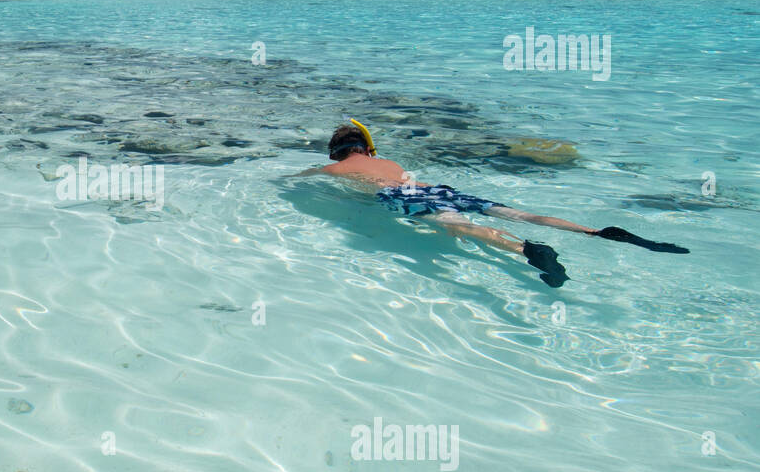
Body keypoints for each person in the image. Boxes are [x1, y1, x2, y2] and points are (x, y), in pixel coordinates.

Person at [292, 120, 688, 287]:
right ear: (366, 147)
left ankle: (524, 249)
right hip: (432, 185)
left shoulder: (334, 173)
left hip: (399, 197)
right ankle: (595, 231)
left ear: (336, 154)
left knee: (460, 227)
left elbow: (301, 182)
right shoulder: (388, 161)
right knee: (513, 212)